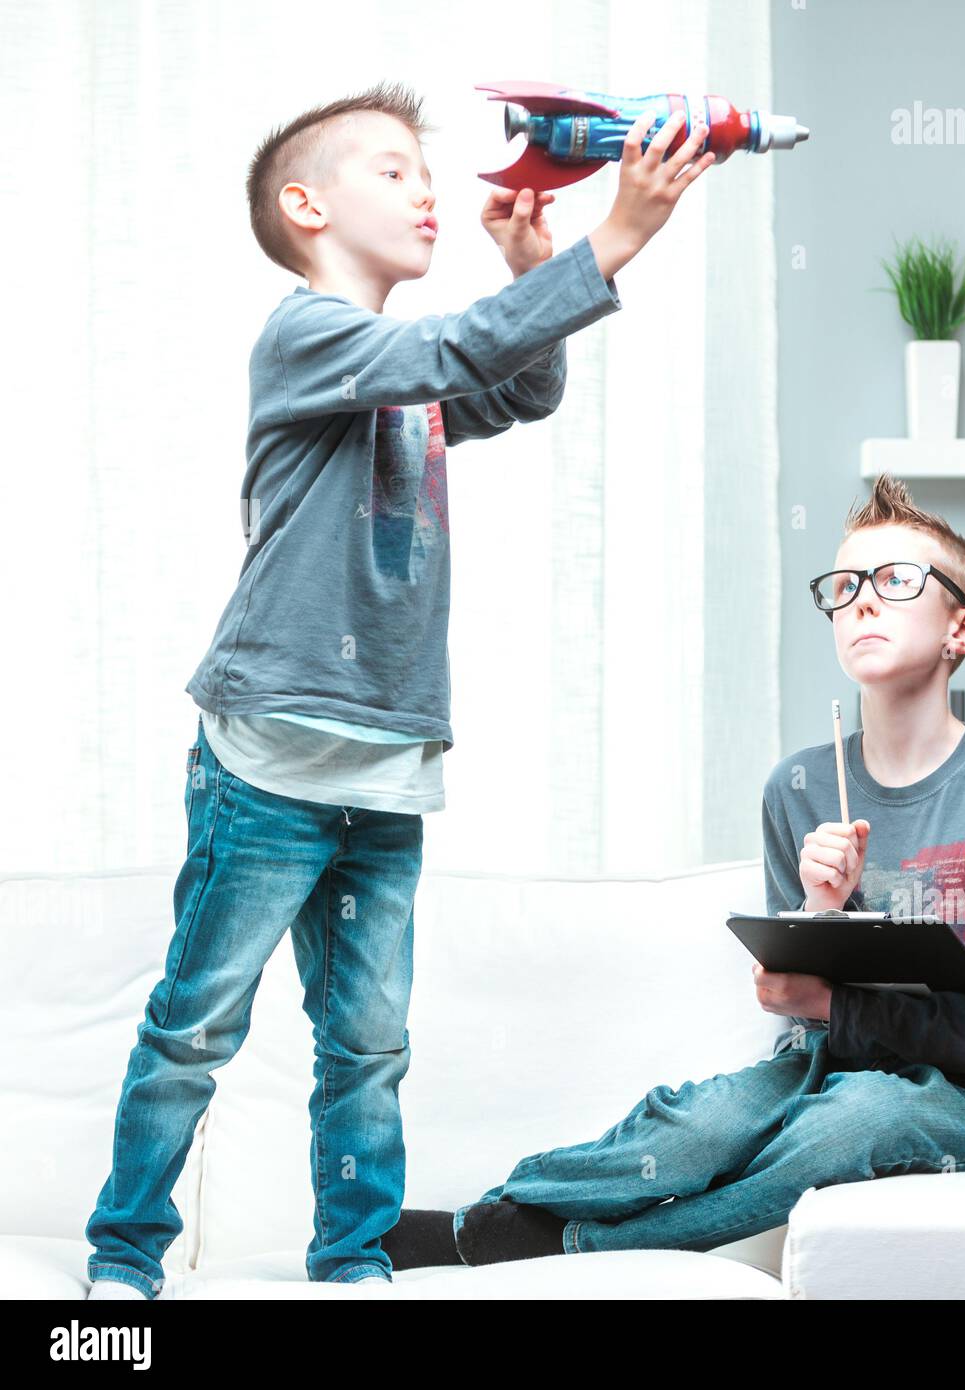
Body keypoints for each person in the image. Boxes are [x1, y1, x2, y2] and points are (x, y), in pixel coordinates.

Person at [83, 80, 714, 1300]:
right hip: (266, 763)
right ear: (305, 205)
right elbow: (453, 348)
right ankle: (123, 1260)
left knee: (367, 1043)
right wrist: (611, 238)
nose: (425, 187)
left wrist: (531, 261)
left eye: (425, 171)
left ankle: (352, 1260)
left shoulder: (404, 375)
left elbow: (512, 386)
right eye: (390, 169)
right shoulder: (305, 334)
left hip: (383, 767)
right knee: (194, 1029)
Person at [382, 471, 965, 1268]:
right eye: (846, 584)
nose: (861, 600)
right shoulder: (798, 788)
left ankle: (524, 1243)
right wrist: (820, 913)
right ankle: (498, 1214)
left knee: (852, 1120)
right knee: (697, 1128)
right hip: (829, 1063)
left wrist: (836, 1007)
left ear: (964, 629)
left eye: (895, 581)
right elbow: (798, 1009)